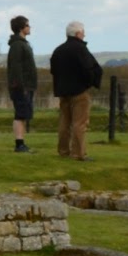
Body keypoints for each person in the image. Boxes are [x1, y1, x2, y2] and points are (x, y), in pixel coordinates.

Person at [50, 20, 102, 160]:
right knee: (80, 123)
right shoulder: (80, 49)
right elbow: (90, 68)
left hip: (63, 91)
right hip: (79, 91)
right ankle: (78, 153)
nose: (84, 35)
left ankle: (63, 151)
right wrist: (90, 82)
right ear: (78, 33)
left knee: (64, 122)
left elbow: (53, 70)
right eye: (83, 32)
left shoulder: (58, 50)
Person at [7, 14, 37, 153]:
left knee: (24, 114)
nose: (29, 27)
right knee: (20, 114)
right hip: (21, 87)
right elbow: (16, 67)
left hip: (26, 86)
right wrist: (20, 86)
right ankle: (19, 144)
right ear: (21, 28)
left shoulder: (23, 44)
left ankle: (21, 143)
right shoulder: (17, 45)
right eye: (27, 25)